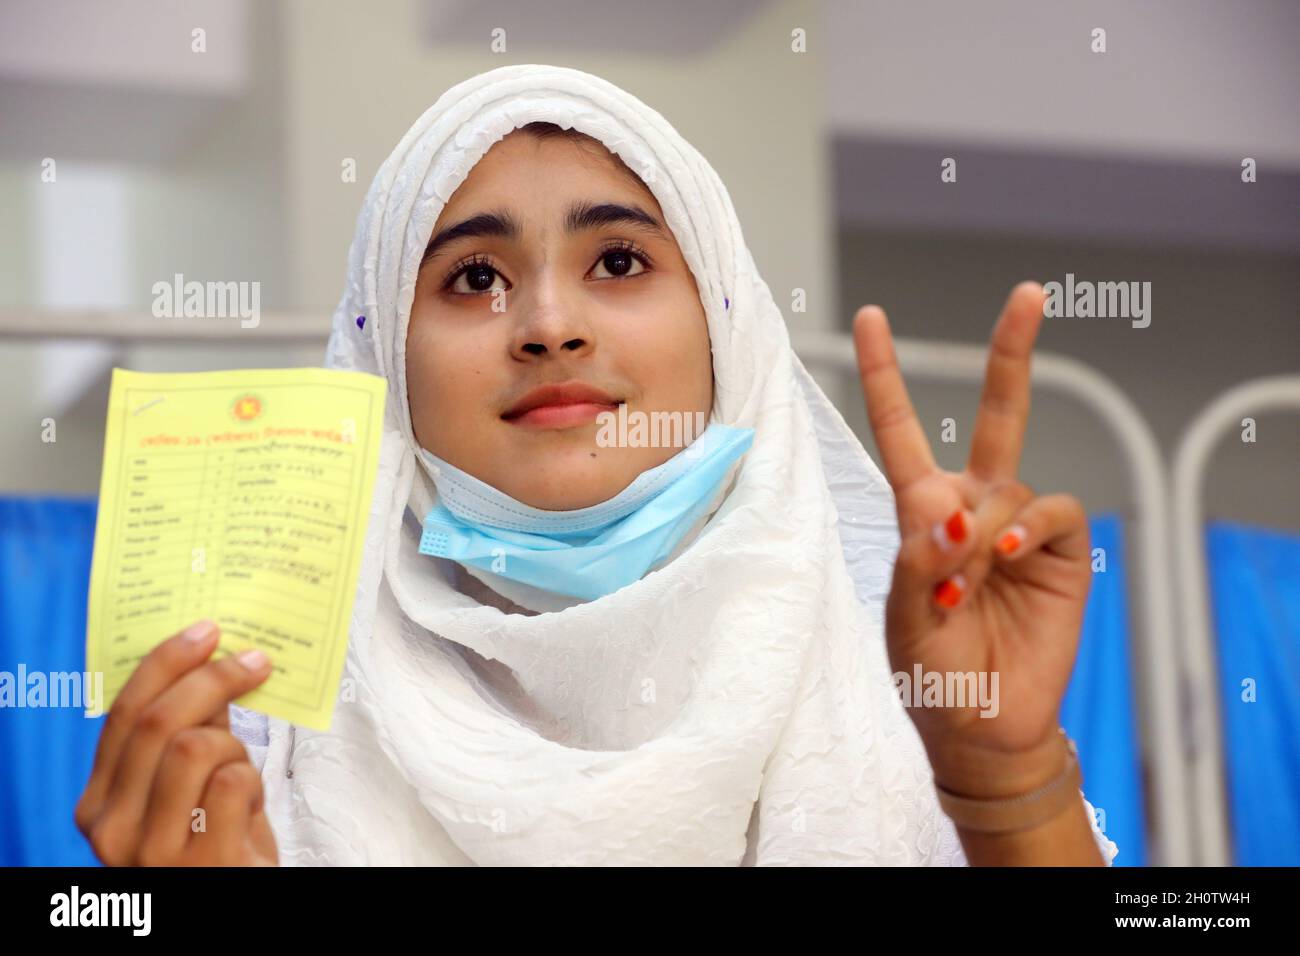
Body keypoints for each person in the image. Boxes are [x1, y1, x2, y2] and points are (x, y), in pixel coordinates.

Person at [75, 63, 1119, 866]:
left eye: (618, 260)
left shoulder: (906, 691)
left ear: (727, 333)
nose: (546, 324)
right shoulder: (251, 753)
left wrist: (1007, 782)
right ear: (388, 367)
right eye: (472, 275)